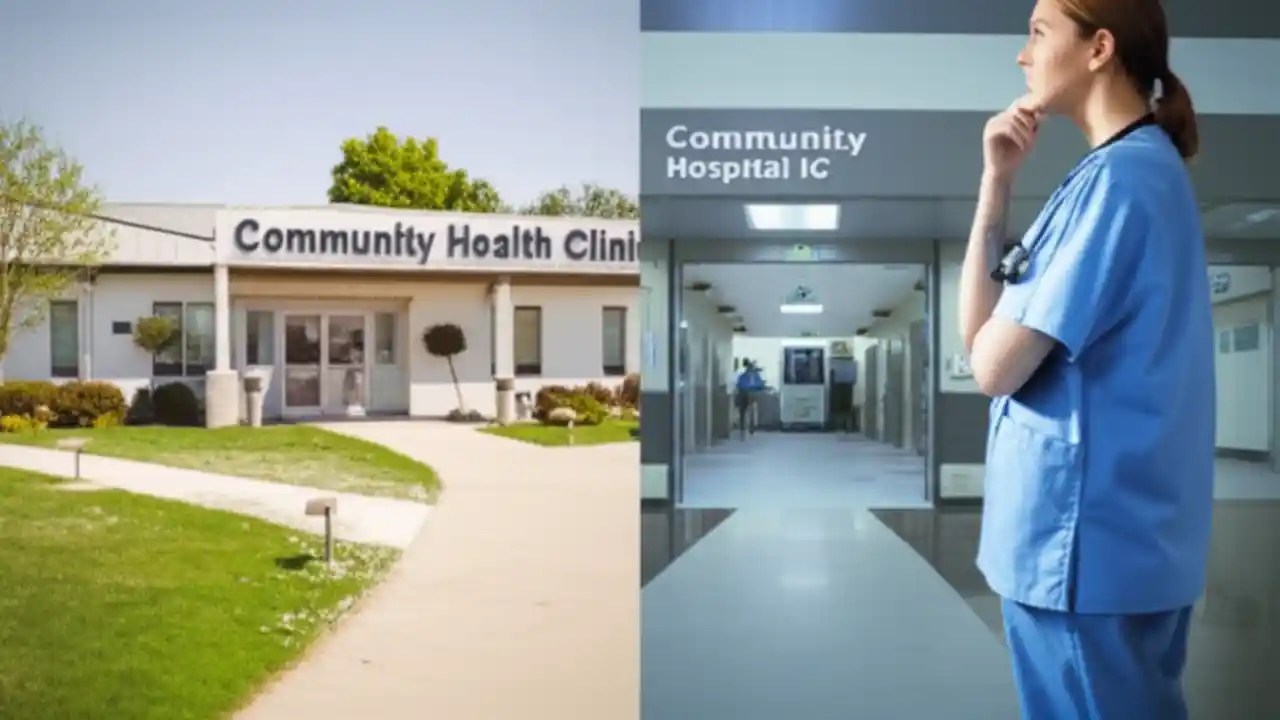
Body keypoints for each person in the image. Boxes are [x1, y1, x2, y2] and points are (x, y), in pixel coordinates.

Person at [956, 1, 1213, 718]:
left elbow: (991, 367)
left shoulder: (1121, 183)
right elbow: (978, 334)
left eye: (1038, 32)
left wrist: (989, 348)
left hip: (1086, 555)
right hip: (1102, 553)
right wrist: (996, 183)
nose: (1022, 54)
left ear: (1099, 48)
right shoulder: (1114, 176)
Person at [734, 360, 765, 438]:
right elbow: (740, 385)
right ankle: (745, 427)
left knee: (747, 411)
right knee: (744, 411)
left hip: (750, 395)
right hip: (746, 394)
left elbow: (760, 385)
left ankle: (748, 427)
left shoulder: (750, 376)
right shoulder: (745, 376)